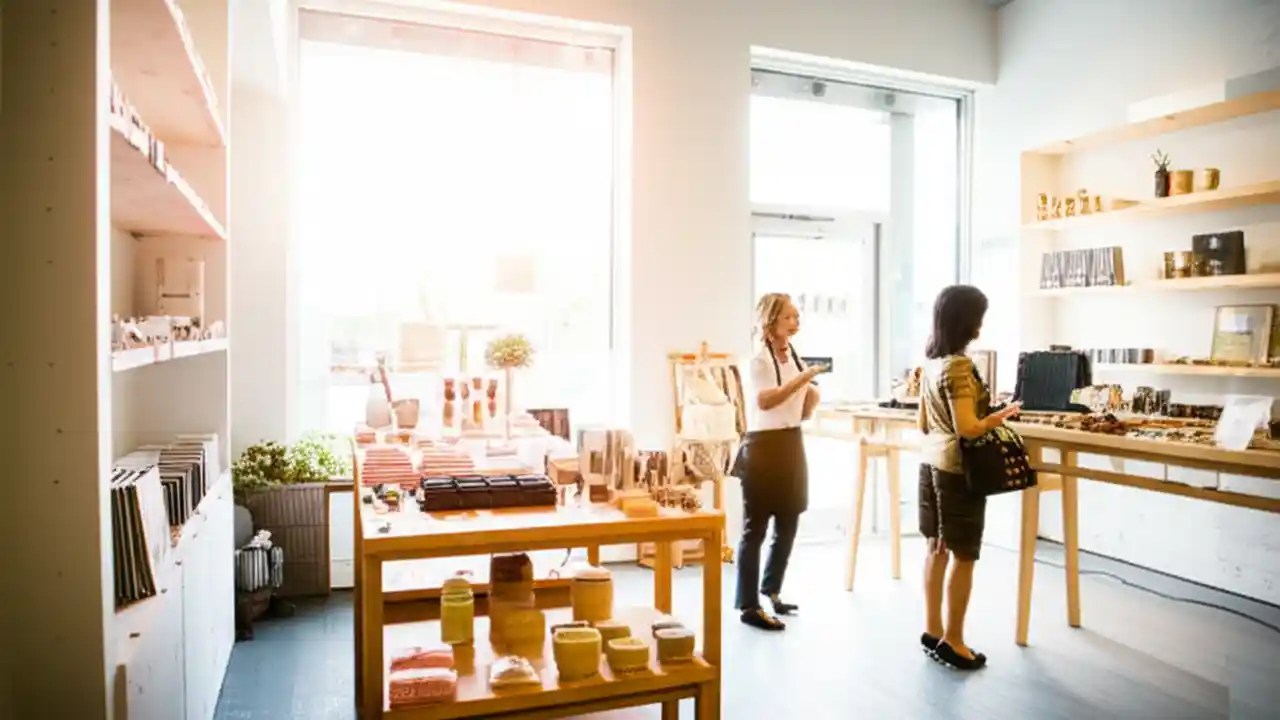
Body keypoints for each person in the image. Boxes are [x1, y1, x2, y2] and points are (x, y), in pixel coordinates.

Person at [916, 285, 1020, 670]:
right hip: (957, 470)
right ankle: (955, 641)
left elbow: (923, 422)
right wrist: (999, 416)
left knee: (935, 547)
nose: (981, 325)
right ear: (968, 321)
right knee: (964, 554)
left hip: (930, 463)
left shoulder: (931, 364)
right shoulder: (959, 367)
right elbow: (968, 428)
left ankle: (933, 631)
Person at [731, 293, 823, 631]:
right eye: (789, 317)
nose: (796, 322)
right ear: (771, 321)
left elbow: (800, 405)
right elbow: (766, 401)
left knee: (789, 520)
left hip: (791, 442)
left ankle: (771, 589)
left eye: (797, 316)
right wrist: (804, 379)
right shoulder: (759, 360)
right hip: (763, 446)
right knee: (755, 528)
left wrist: (811, 395)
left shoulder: (793, 357)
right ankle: (748, 605)